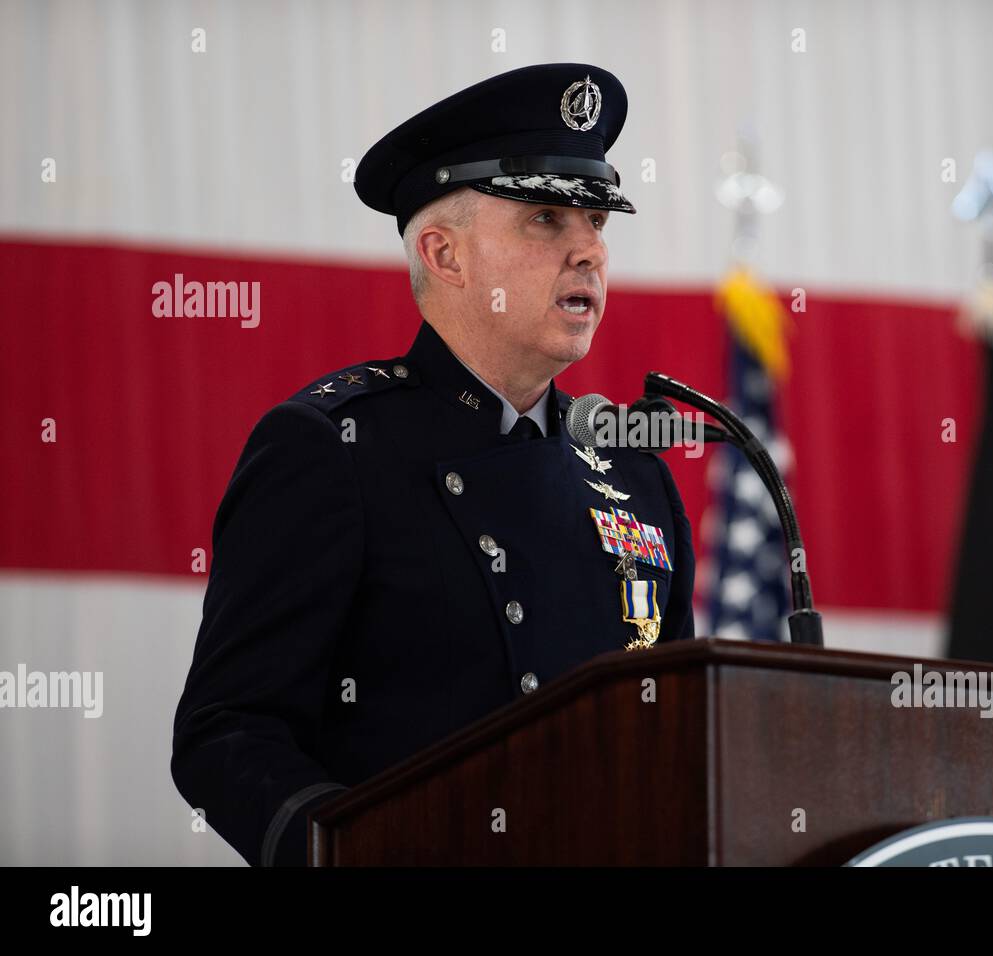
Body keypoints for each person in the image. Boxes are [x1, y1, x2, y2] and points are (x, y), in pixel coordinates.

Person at [171, 63, 696, 867]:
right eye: (547, 218)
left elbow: (675, 739)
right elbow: (228, 732)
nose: (590, 250)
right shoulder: (333, 448)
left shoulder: (636, 476)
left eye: (597, 222)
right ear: (444, 255)